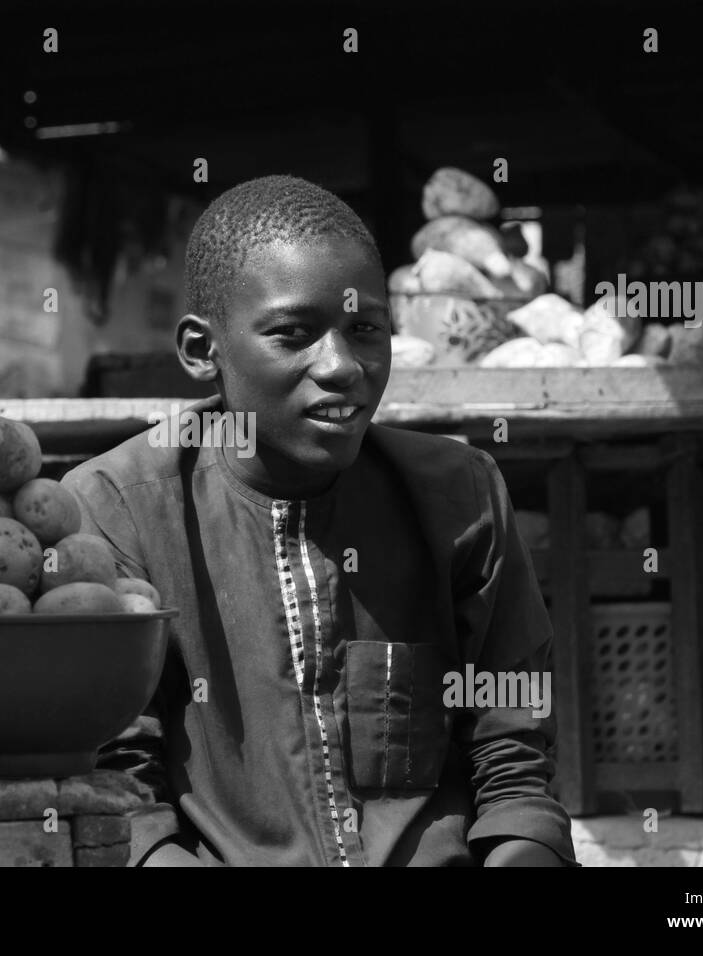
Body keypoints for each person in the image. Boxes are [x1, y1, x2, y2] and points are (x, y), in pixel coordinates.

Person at [61, 175, 576, 867]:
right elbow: (124, 789)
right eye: (293, 334)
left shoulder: (459, 494)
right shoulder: (117, 508)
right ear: (201, 350)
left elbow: (512, 756)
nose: (341, 366)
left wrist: (522, 850)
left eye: (365, 330)